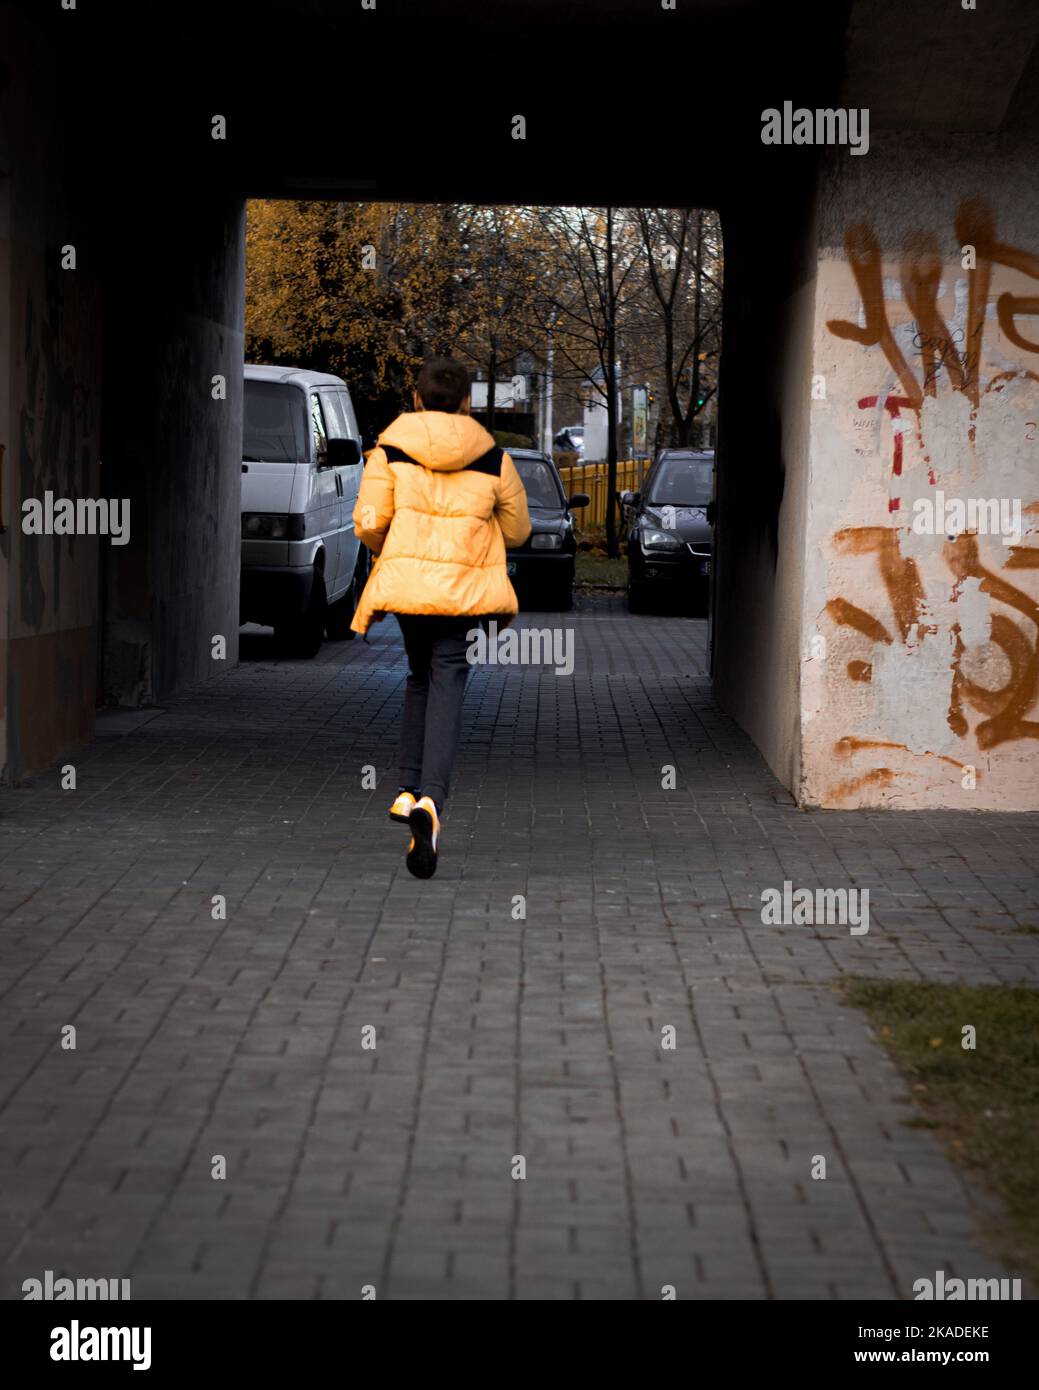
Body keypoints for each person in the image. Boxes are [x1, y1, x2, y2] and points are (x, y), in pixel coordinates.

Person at [351, 358, 531, 878]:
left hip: (408, 593)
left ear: (417, 398)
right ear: (467, 402)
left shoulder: (391, 450)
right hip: (461, 593)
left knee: (417, 676)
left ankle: (407, 790)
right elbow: (517, 531)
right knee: (448, 679)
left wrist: (401, 552)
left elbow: (368, 522)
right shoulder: (495, 458)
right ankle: (431, 801)